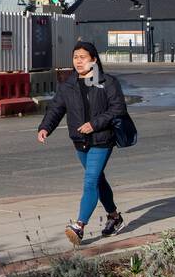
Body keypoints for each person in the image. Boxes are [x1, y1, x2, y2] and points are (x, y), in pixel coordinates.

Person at [37, 41, 128, 246]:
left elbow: (118, 109)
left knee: (90, 181)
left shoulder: (107, 82)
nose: (78, 61)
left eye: (83, 57)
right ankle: (114, 217)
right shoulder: (68, 85)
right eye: (75, 57)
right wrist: (45, 128)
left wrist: (94, 125)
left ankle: (79, 226)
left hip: (102, 139)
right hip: (80, 141)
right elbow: (56, 109)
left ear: (94, 60)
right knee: (97, 180)